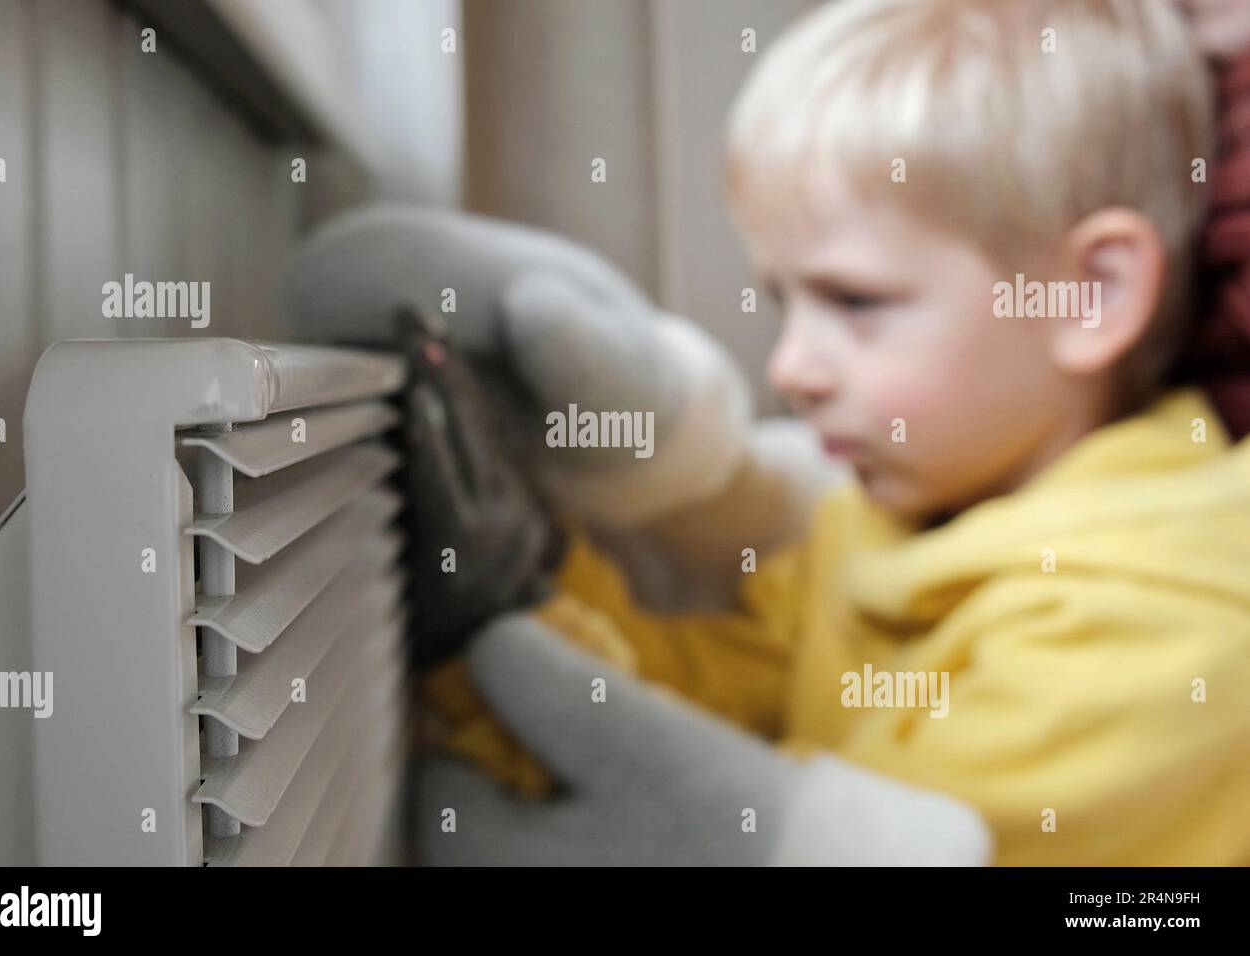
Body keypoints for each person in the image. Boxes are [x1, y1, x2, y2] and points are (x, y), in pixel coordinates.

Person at [283, 0, 1250, 865]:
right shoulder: (887, 527)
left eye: (855, 300)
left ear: (1091, 294)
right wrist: (525, 597)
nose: (791, 369)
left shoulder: (1155, 628)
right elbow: (709, 699)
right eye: (780, 301)